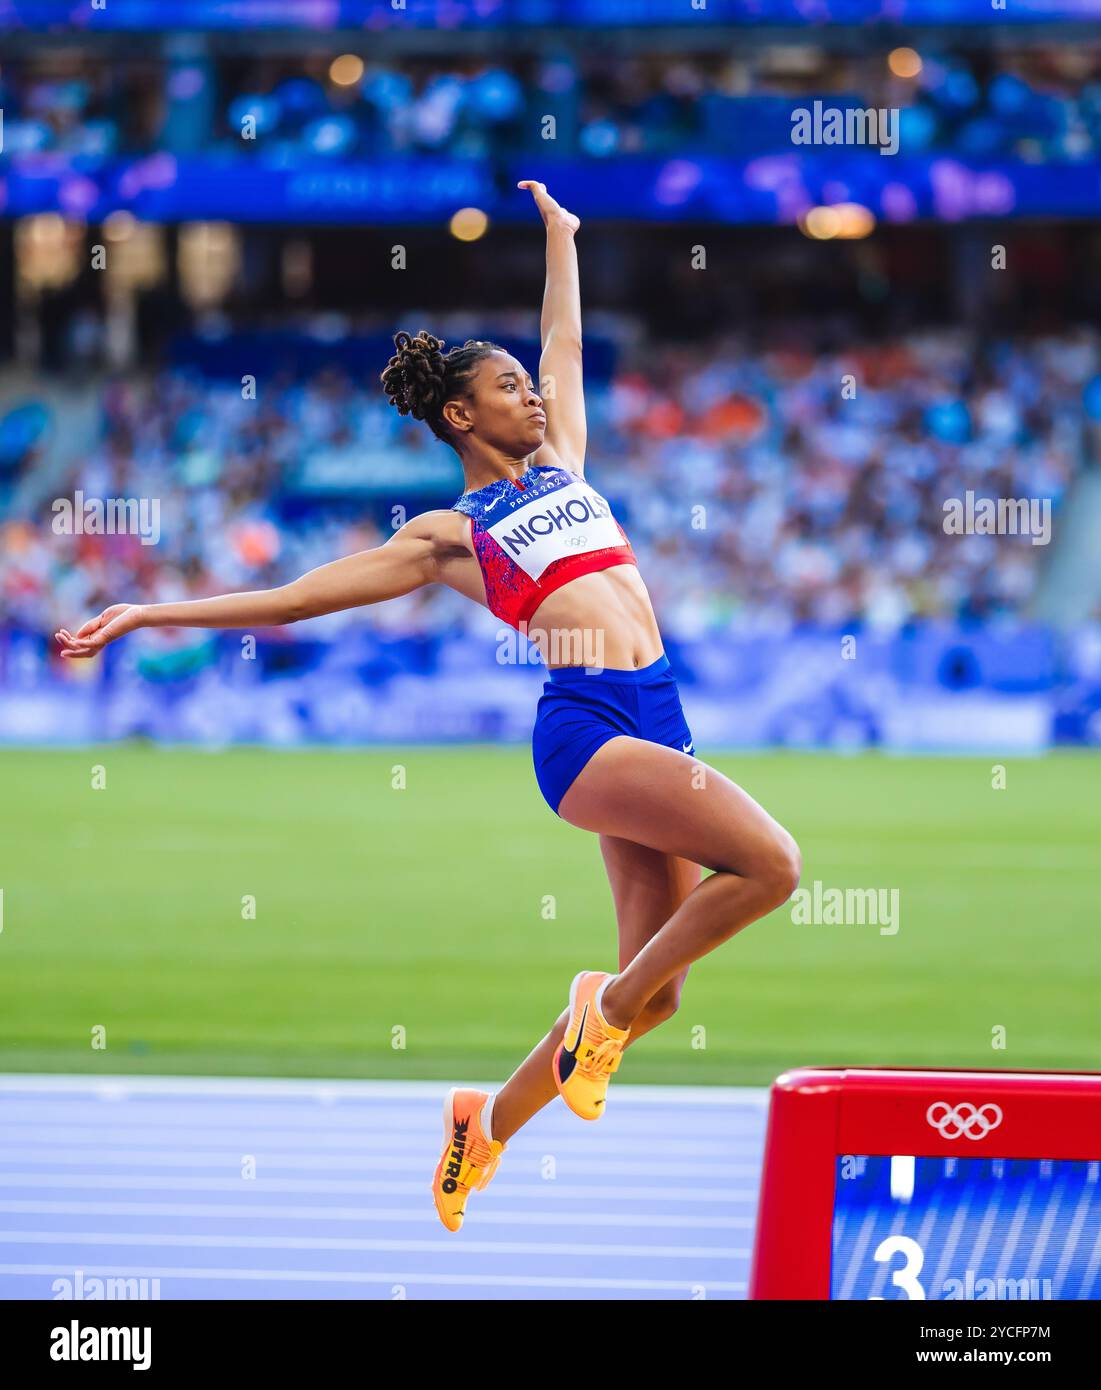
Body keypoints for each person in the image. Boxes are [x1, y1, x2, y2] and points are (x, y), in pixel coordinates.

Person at [56, 180, 801, 1233]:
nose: (533, 396)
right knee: (773, 867)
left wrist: (560, 237)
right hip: (588, 729)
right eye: (508, 388)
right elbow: (299, 596)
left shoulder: (565, 461)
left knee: (661, 991)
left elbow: (567, 349)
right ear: (462, 415)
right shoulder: (450, 536)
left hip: (661, 714)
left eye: (528, 385)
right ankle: (604, 1008)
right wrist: (147, 612)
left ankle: (485, 1124)